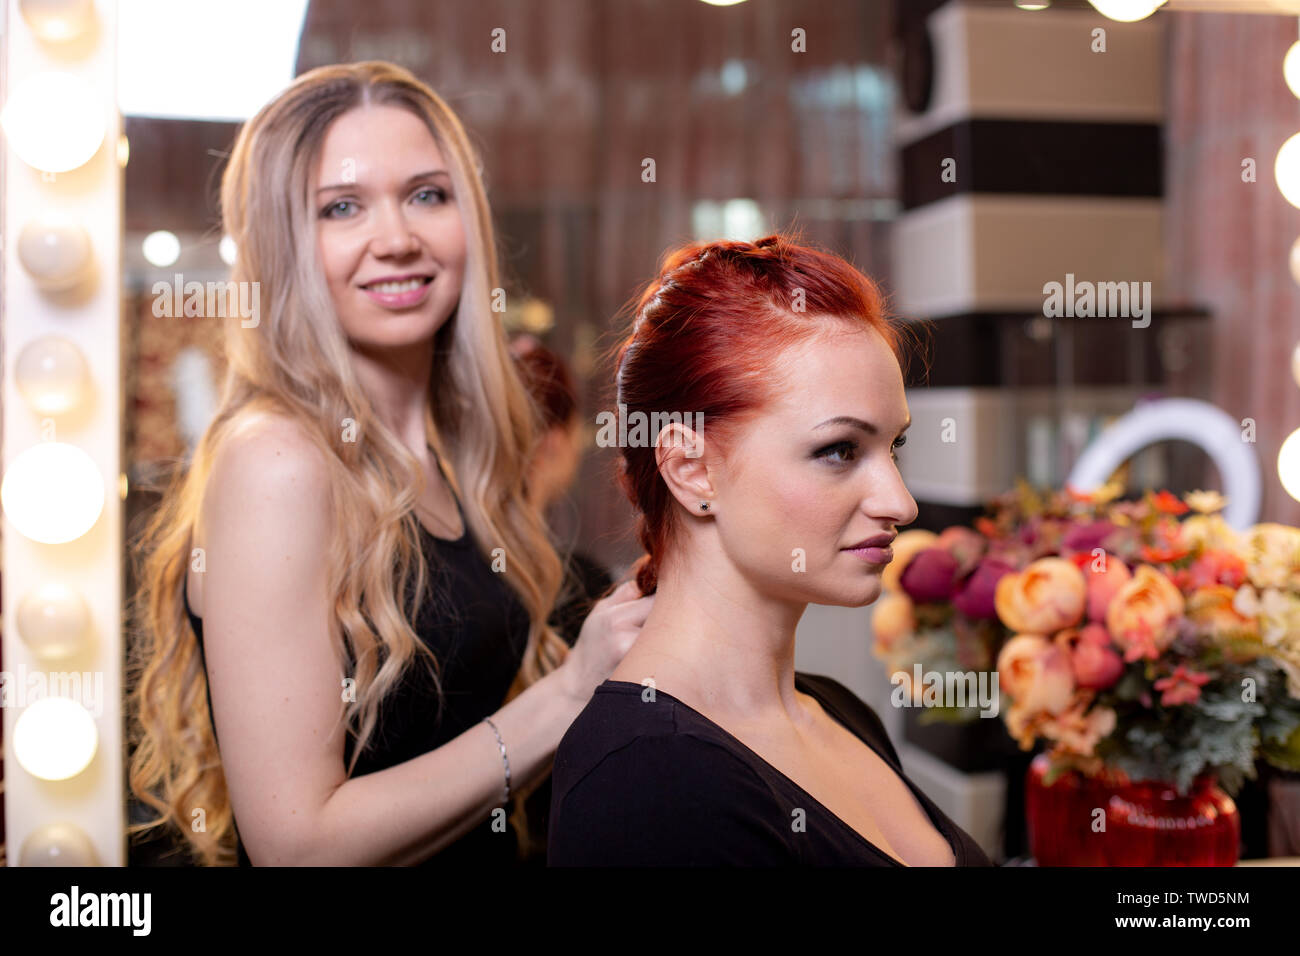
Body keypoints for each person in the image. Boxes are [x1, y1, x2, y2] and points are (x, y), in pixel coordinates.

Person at [126, 61, 651, 867]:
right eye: (341, 207)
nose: (397, 237)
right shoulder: (279, 459)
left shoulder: (459, 454)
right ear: (281, 245)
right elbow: (297, 846)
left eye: (426, 194)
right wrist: (570, 693)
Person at [548, 234, 995, 867]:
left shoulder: (838, 710)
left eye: (893, 448)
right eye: (839, 450)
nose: (900, 503)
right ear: (692, 471)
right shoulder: (646, 783)